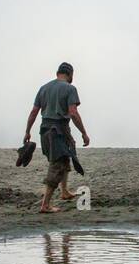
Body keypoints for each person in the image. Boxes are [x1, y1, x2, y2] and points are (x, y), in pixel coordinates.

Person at [23, 62, 90, 213]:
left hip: (45, 130)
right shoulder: (70, 89)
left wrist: (27, 131)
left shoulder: (44, 88)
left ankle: (64, 192)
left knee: (66, 157)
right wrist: (84, 133)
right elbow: (73, 112)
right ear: (70, 74)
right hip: (57, 130)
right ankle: (45, 205)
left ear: (57, 72)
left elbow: (34, 112)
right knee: (57, 164)